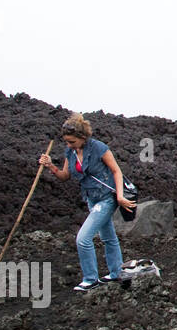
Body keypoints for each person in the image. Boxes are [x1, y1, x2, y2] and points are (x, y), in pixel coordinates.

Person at [38, 113, 136, 292]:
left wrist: (121, 197)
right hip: (91, 198)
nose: (68, 145)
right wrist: (50, 166)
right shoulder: (71, 152)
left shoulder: (99, 148)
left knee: (83, 239)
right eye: (66, 142)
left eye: (72, 142)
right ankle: (117, 273)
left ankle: (91, 279)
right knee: (108, 237)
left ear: (82, 137)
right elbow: (65, 176)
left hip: (107, 198)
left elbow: (117, 172)